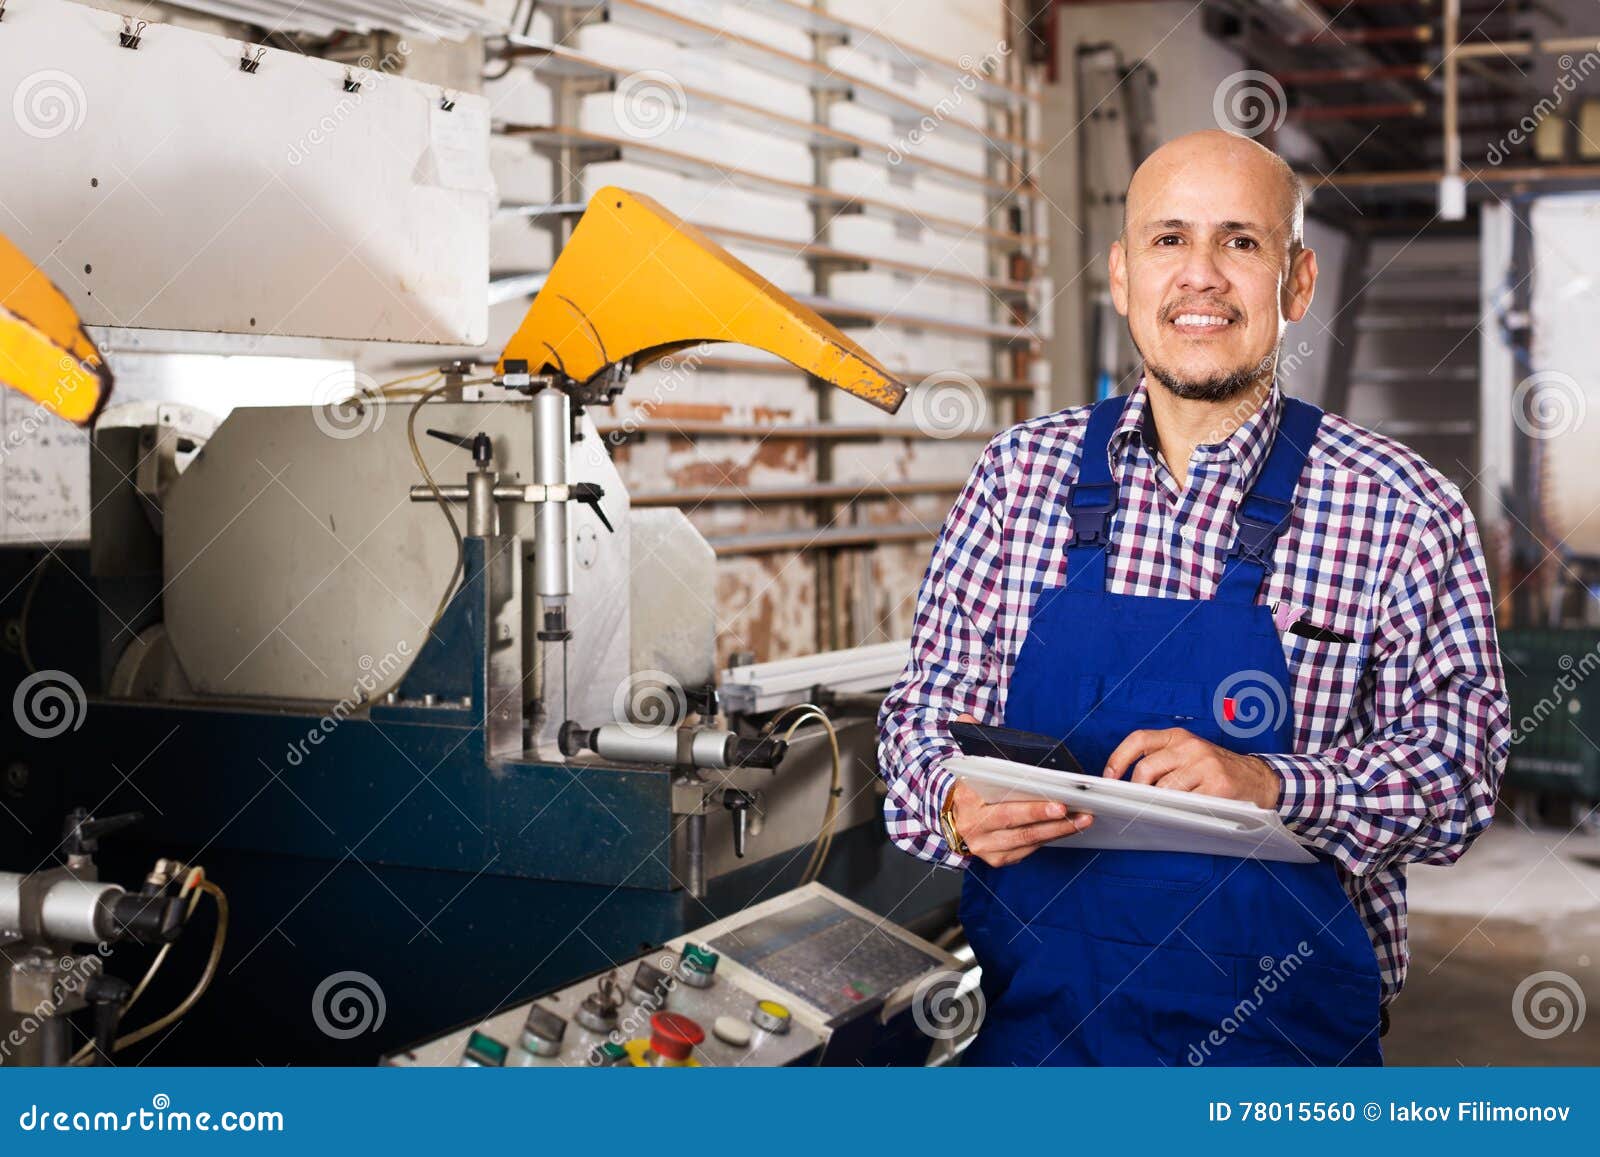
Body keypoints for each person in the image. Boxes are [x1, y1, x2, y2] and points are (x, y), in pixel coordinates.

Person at [877, 129, 1511, 1066]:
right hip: (1043, 1053)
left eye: (1241, 242)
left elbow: (1461, 774)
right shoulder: (1015, 480)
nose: (1201, 276)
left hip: (1286, 1064)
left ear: (1297, 283)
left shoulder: (1403, 508)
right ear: (1124, 277)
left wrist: (1274, 786)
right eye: (1170, 240)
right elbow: (922, 715)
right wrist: (948, 797)